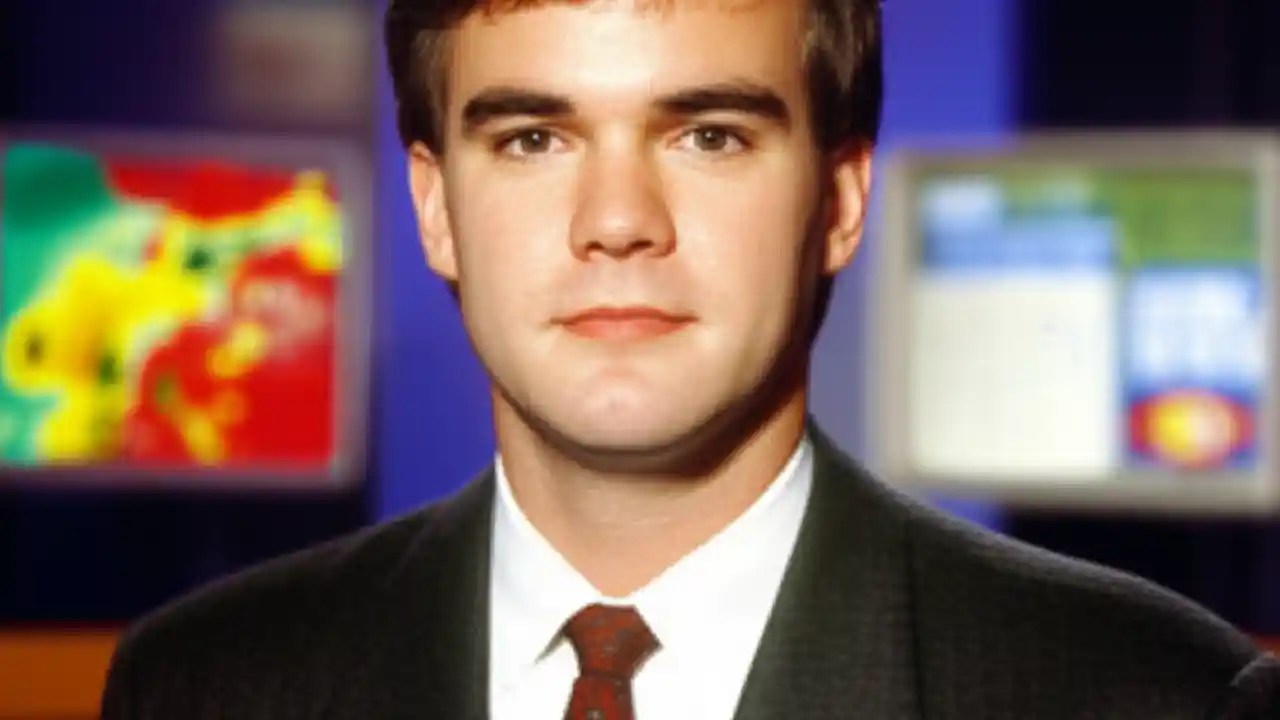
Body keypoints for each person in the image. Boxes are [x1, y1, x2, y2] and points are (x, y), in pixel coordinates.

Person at [101, 0, 1280, 718]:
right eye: (532, 137)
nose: (616, 218)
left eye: (707, 134)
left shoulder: (1155, 697)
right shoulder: (201, 686)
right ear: (435, 206)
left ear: (837, 198)